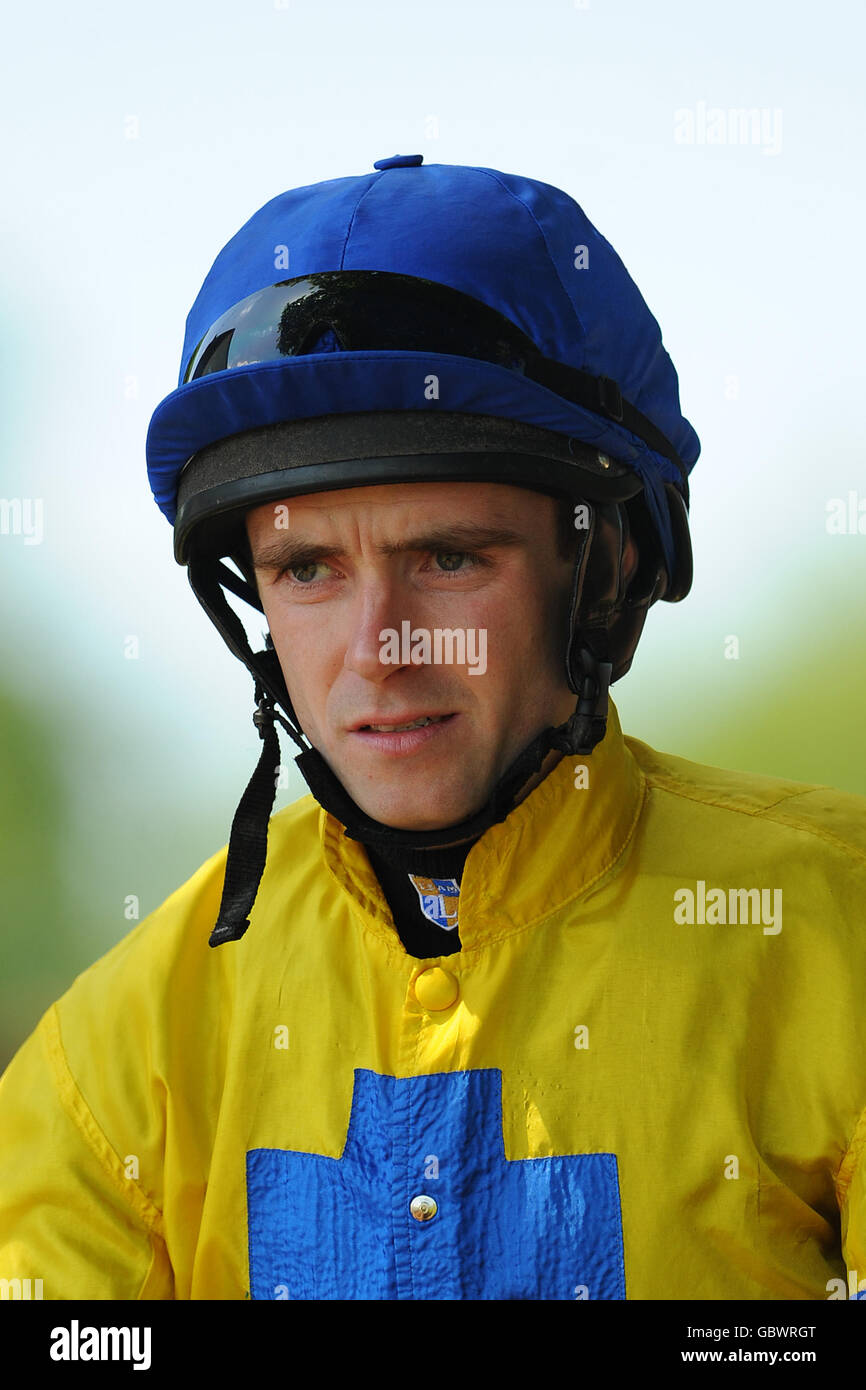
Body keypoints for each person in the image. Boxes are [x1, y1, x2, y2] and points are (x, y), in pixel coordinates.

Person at [1, 154, 864, 1302]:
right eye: (305, 569)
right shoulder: (114, 1050)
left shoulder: (835, 942)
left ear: (606, 570)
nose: (378, 647)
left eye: (448, 557)